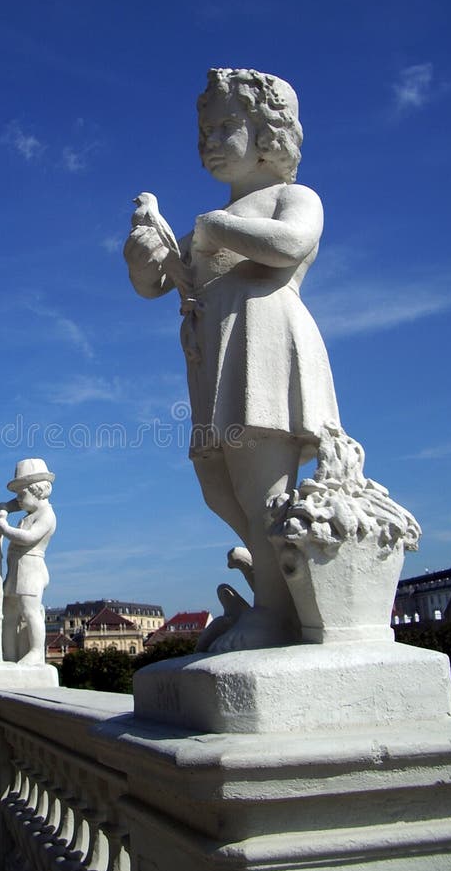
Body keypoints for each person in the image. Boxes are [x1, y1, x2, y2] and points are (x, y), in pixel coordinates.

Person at [124, 68, 340, 648]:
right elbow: (160, 285)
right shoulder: (208, 226)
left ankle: (274, 613)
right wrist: (148, 258)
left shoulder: (293, 197)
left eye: (227, 127)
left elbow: (290, 245)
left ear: (269, 134)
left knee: (261, 485)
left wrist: (215, 227)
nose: (211, 141)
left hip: (263, 338)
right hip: (212, 354)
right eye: (205, 131)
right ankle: (280, 592)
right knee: (217, 486)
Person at [0, 458, 56, 665]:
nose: (18, 501)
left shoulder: (47, 515)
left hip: (31, 570)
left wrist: (6, 529)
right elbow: (18, 503)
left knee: (30, 611)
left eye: (21, 494)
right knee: (8, 613)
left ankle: (36, 651)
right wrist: (6, 507)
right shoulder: (30, 509)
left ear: (38, 490)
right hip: (16, 570)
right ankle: (9, 655)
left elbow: (29, 538)